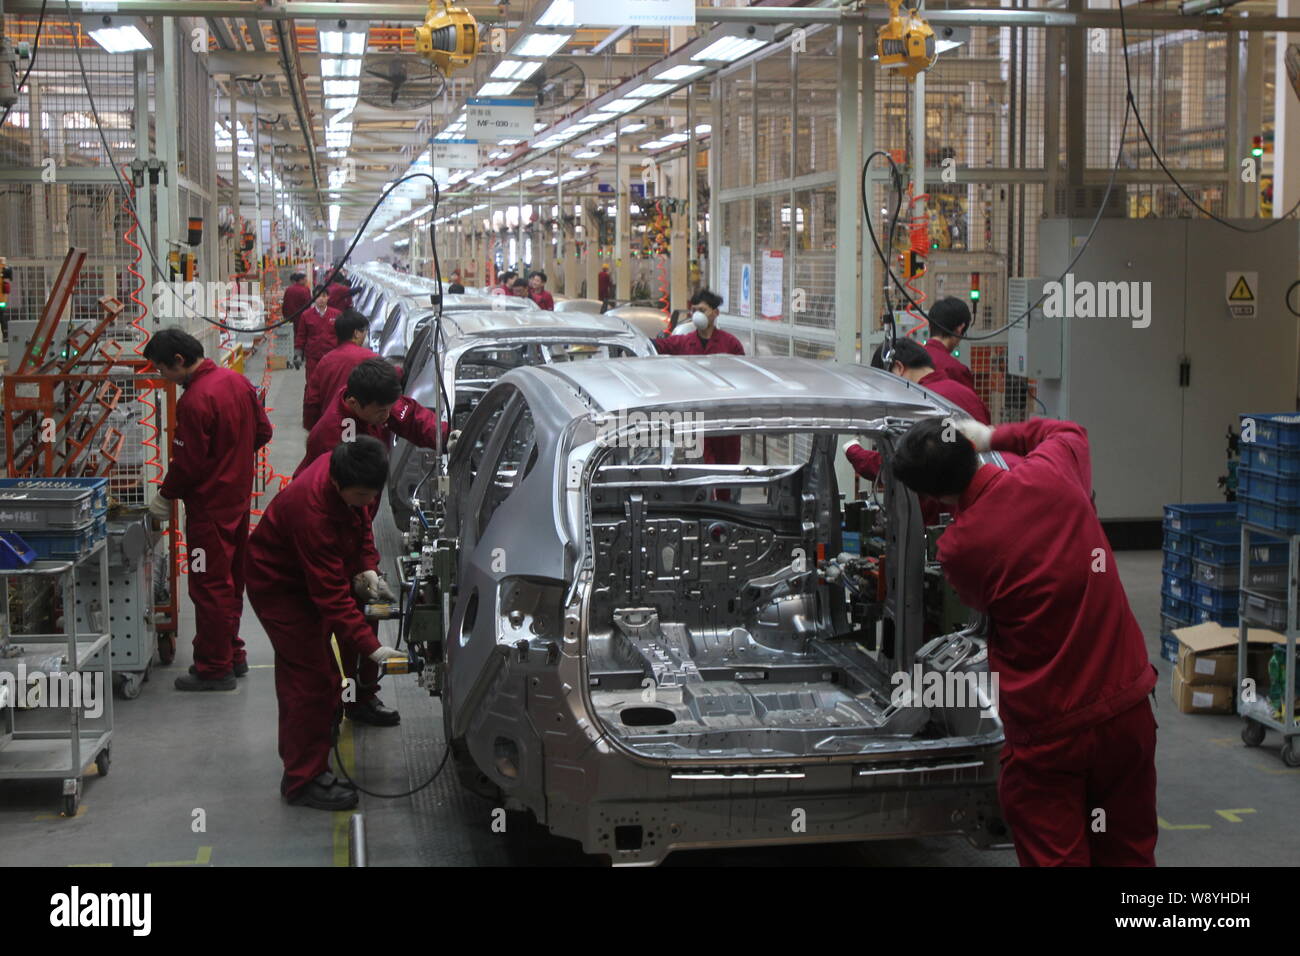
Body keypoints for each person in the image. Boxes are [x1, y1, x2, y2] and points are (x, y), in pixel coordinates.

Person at [890, 416, 1158, 867]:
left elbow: (976, 598)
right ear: (971, 449)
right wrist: (995, 435)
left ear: (931, 496)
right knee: (1129, 852)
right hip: (1126, 712)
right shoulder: (1052, 472)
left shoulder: (958, 549)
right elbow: (1069, 432)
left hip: (1049, 737)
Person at [246, 437, 407, 810]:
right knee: (309, 680)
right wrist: (373, 648)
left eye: (372, 495)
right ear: (337, 485)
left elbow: (361, 521)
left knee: (321, 677)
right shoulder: (312, 513)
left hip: (308, 579)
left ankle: (320, 729)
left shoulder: (347, 475)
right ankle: (302, 779)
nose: (368, 502)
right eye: (362, 494)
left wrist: (367, 565)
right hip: (280, 589)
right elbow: (332, 598)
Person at [296, 359, 447, 726]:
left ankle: (361, 697)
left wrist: (447, 435)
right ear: (356, 403)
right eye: (381, 412)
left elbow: (410, 417)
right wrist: (354, 562)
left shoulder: (376, 406)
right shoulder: (332, 436)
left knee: (366, 610)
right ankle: (331, 703)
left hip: (354, 522)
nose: (387, 417)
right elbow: (334, 508)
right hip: (326, 534)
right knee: (335, 624)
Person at [143, 328, 273, 691]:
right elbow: (263, 431)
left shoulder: (195, 401)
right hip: (237, 502)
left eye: (161, 369)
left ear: (179, 361)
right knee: (231, 582)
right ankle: (233, 653)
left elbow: (187, 464)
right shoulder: (237, 383)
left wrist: (165, 496)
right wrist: (231, 460)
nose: (161, 376)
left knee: (208, 586)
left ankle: (215, 668)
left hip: (208, 513)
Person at [652, 290, 744, 496]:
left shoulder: (730, 344)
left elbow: (743, 377)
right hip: (698, 419)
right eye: (694, 310)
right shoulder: (684, 342)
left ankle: (728, 512)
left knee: (728, 472)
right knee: (705, 469)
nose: (697, 315)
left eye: (702, 310)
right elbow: (659, 345)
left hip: (727, 418)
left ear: (715, 313)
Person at [302, 309, 375, 430]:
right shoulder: (372, 359)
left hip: (331, 428)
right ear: (356, 333)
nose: (365, 336)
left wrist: (313, 428)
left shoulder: (325, 361)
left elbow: (312, 400)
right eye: (365, 332)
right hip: (363, 431)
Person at [924, 297, 977, 391]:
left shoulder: (912, 362)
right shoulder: (956, 370)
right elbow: (970, 403)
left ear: (929, 326)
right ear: (960, 329)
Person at [298, 289, 341, 387]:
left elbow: (342, 334)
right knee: (312, 383)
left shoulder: (336, 314)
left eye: (324, 296)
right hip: (313, 357)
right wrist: (298, 354)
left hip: (332, 356)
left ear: (328, 297)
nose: (321, 299)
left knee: (332, 383)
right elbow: (301, 335)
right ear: (314, 298)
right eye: (318, 296)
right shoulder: (306, 315)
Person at [281, 273, 312, 365]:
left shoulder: (289, 289)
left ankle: (291, 355)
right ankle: (301, 356)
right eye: (305, 280)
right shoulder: (305, 290)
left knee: (292, 336)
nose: (306, 281)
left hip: (290, 317)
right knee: (302, 336)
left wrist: (285, 316)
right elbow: (308, 304)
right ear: (301, 280)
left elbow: (285, 303)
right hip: (302, 317)